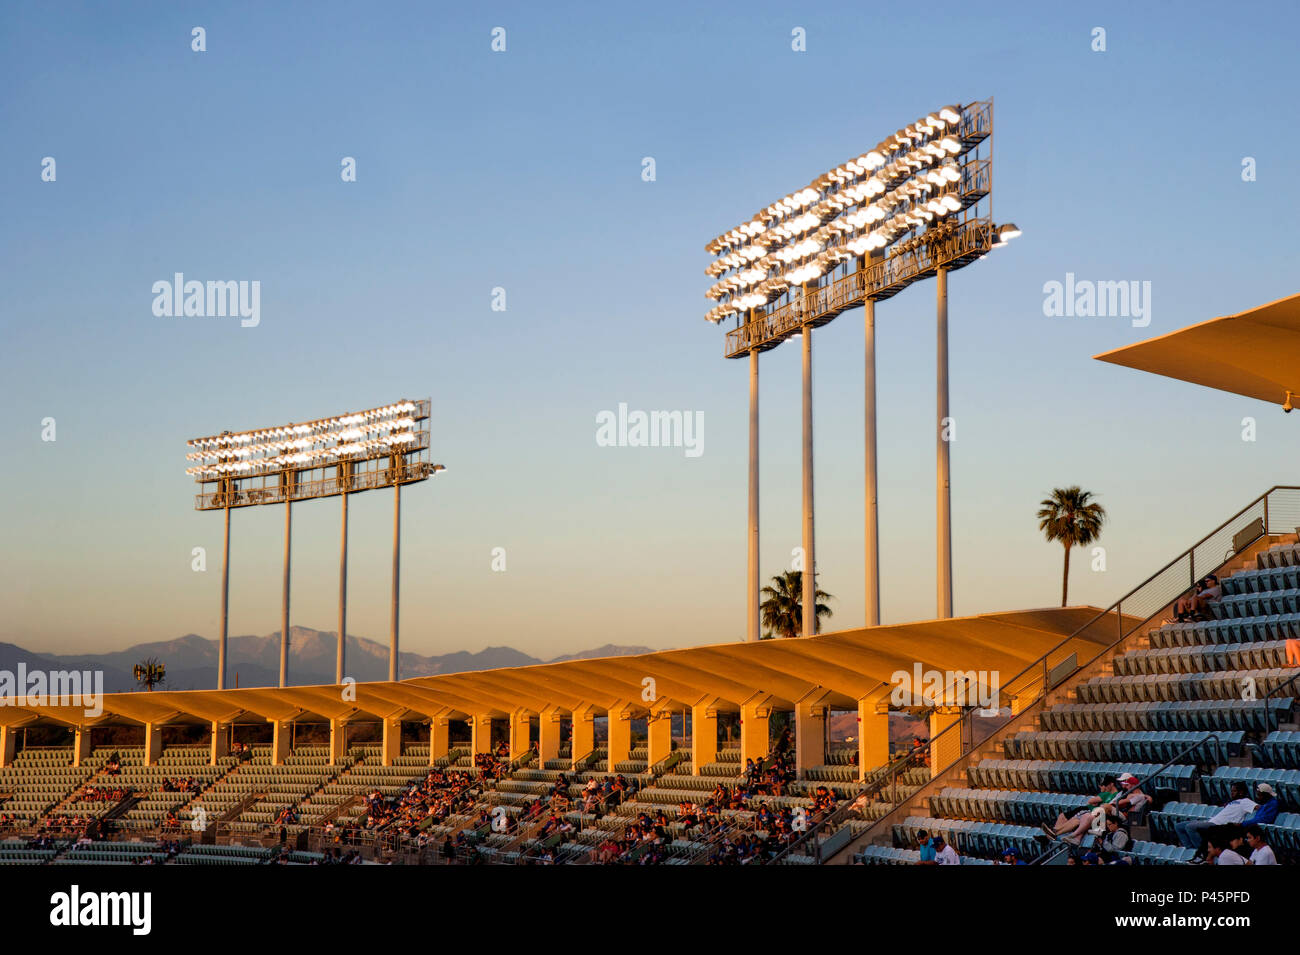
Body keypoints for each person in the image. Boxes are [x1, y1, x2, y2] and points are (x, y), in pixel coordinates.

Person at [1176, 783, 1256, 860]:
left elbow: (1259, 808)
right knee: (1179, 826)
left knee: (1190, 827)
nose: (1231, 793)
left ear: (1241, 792)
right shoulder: (1232, 802)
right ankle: (1191, 851)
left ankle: (1202, 853)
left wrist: (1253, 820)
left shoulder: (1245, 801)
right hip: (1210, 821)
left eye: (1234, 791)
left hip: (1218, 825)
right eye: (1231, 791)